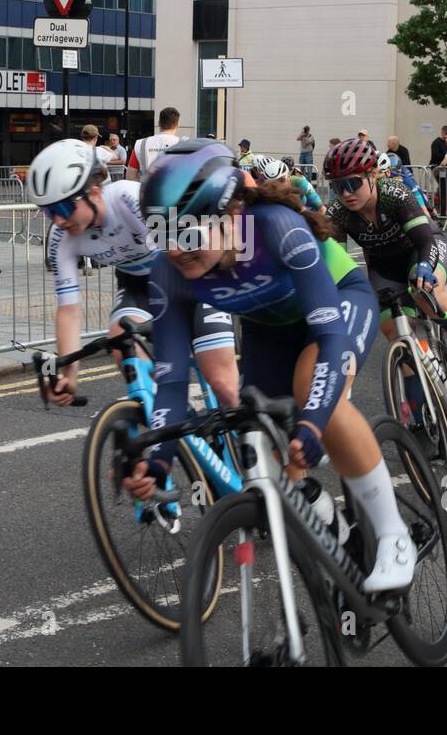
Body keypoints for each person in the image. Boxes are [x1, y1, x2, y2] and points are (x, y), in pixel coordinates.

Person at [140, 140, 418, 592]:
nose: (175, 249)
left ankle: (392, 534)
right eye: (162, 233)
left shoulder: (275, 227)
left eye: (186, 232)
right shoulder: (168, 272)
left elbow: (328, 336)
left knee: (313, 392)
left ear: (229, 214)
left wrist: (312, 423)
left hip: (337, 301)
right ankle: (335, 527)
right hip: (269, 331)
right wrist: (155, 463)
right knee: (264, 455)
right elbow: (170, 383)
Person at [26, 139, 238, 409]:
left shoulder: (128, 198)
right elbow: (68, 310)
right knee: (121, 342)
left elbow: (182, 248)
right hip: (139, 286)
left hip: (191, 277)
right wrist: (70, 375)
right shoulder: (61, 237)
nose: (58, 220)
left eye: (64, 208)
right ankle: (171, 419)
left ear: (93, 192)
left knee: (223, 386)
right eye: (49, 211)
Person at [323, 138, 447, 399]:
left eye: (353, 183)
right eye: (338, 187)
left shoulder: (394, 194)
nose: (346, 193)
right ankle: (419, 413)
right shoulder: (338, 211)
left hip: (422, 248)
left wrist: (422, 268)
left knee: (426, 292)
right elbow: (335, 262)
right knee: (396, 333)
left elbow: (425, 240)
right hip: (384, 265)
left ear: (372, 175)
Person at [250, 154, 324, 212]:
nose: (278, 186)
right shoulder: (259, 193)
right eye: (273, 183)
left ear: (289, 176)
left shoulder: (301, 183)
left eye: (281, 180)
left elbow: (322, 209)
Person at [126, 106, 181, 181]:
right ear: (177, 125)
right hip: (175, 191)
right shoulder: (184, 144)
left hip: (145, 191)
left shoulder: (142, 144)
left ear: (159, 123)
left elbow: (130, 176)